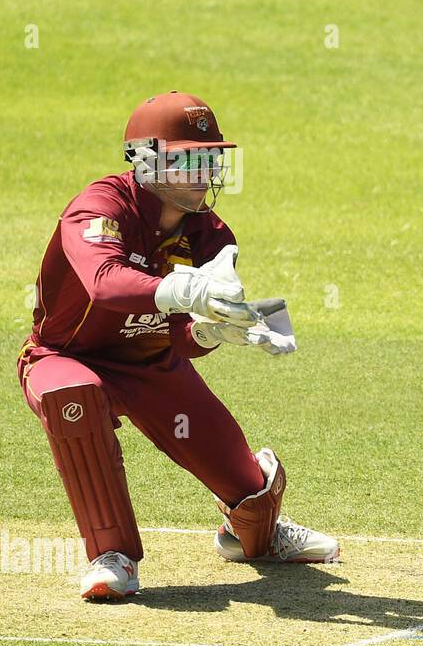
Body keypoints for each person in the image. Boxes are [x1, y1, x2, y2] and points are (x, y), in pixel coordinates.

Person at [17, 91, 338, 600]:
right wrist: (183, 290)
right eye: (186, 159)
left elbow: (181, 338)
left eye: (209, 159)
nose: (202, 172)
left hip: (150, 365)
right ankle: (112, 556)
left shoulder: (210, 233)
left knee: (253, 506)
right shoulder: (99, 207)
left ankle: (255, 531)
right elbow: (104, 282)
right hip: (64, 357)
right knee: (72, 395)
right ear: (145, 159)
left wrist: (215, 330)